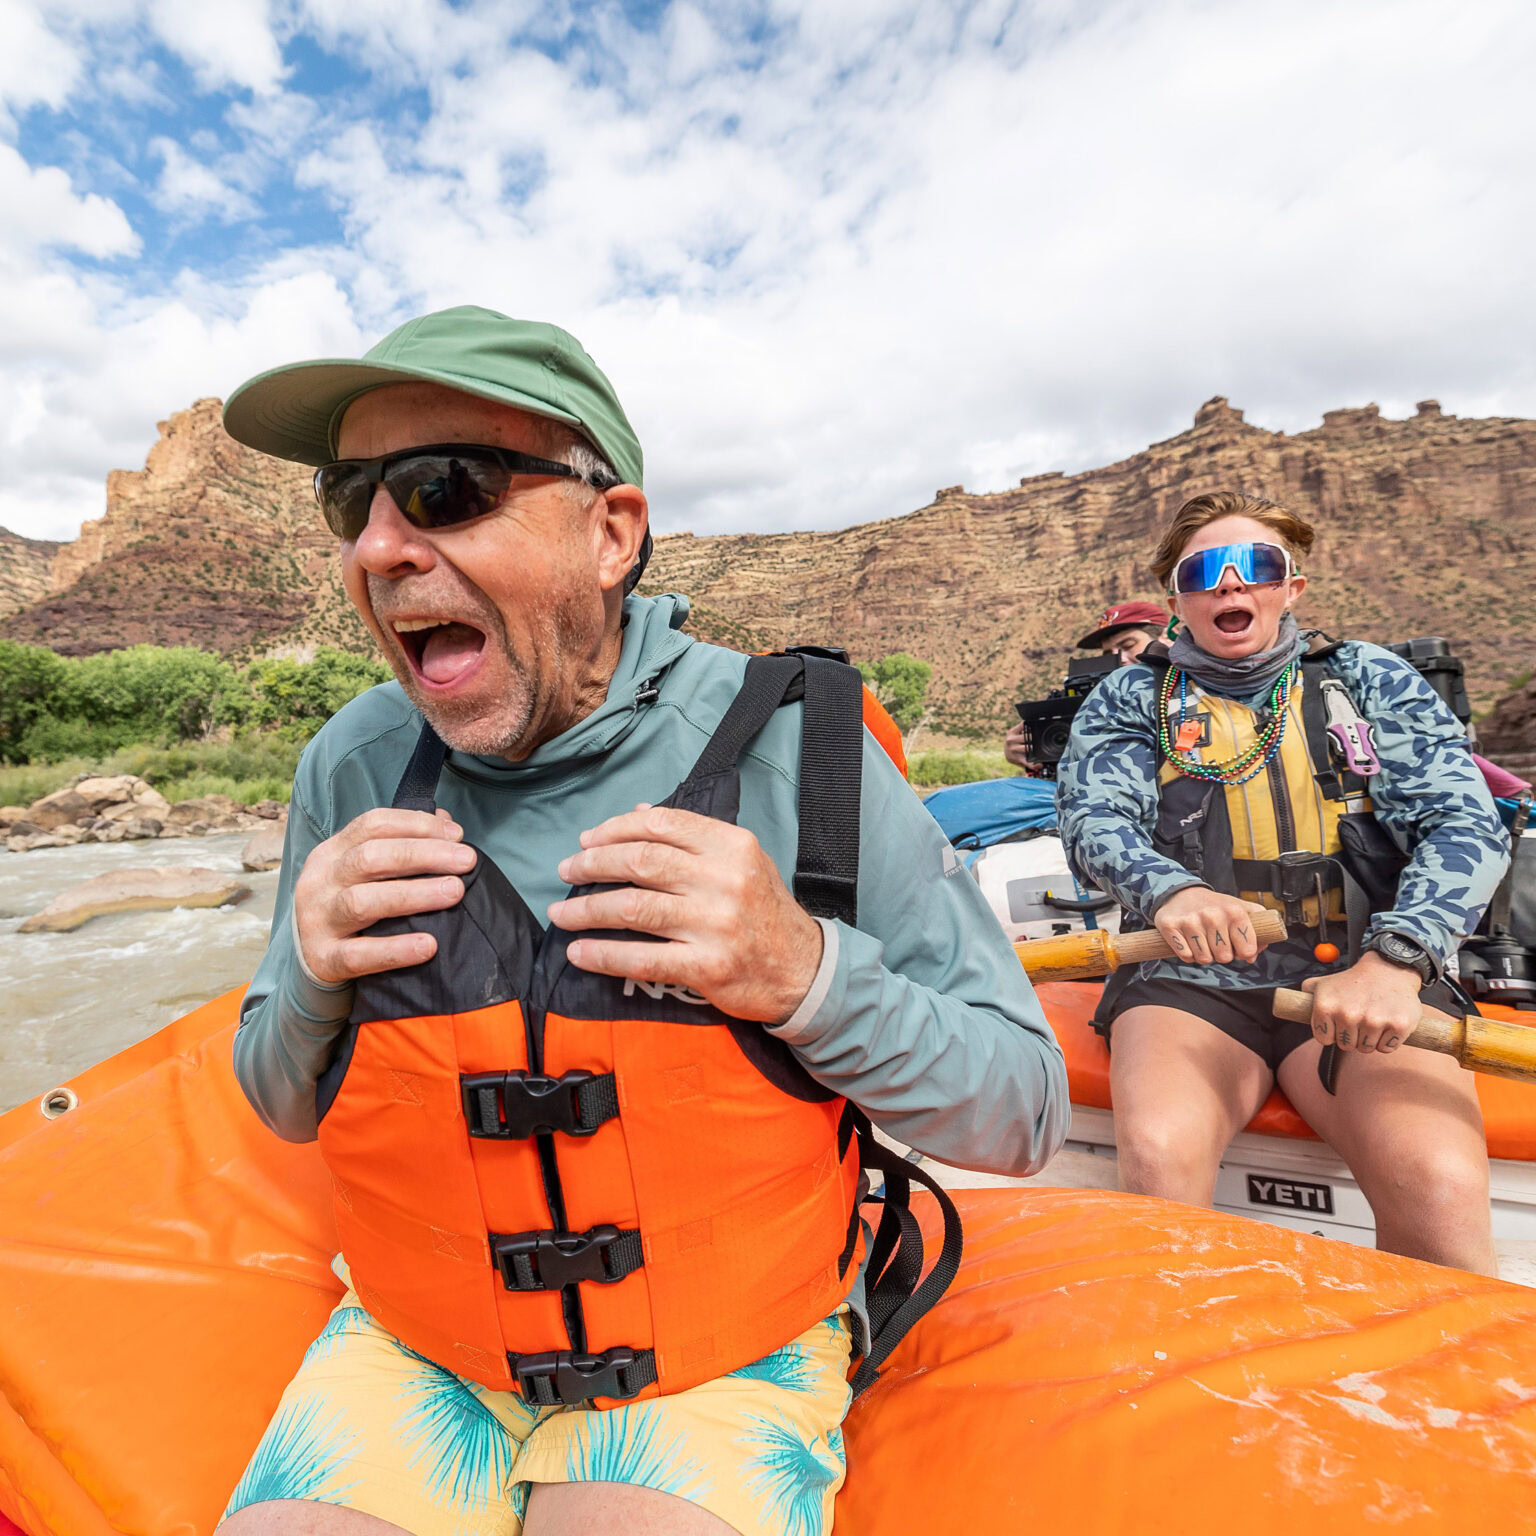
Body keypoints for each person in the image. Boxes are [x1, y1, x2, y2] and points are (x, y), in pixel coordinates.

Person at [216, 305, 1068, 1536]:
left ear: (610, 532)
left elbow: (1025, 1110)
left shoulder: (803, 746)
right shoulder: (349, 765)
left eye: (443, 488)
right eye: (351, 502)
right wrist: (305, 973)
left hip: (726, 1353)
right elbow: (279, 1099)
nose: (380, 548)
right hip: (418, 1344)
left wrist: (803, 973)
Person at [1057, 491, 1509, 1275]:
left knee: (1440, 1182)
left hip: (1360, 974)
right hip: (1190, 980)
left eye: (1255, 566)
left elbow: (1465, 825)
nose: (1231, 584)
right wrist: (1172, 892)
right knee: (1159, 1155)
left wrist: (1398, 960)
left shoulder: (1367, 678)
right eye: (1205, 572)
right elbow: (1094, 822)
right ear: (1178, 600)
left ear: (1290, 587)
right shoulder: (1132, 697)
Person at [1003, 601, 1171, 770]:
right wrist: (1030, 751)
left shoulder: (1182, 691)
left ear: (1166, 637)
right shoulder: (1094, 700)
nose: (1118, 657)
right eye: (1107, 653)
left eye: (1128, 645)